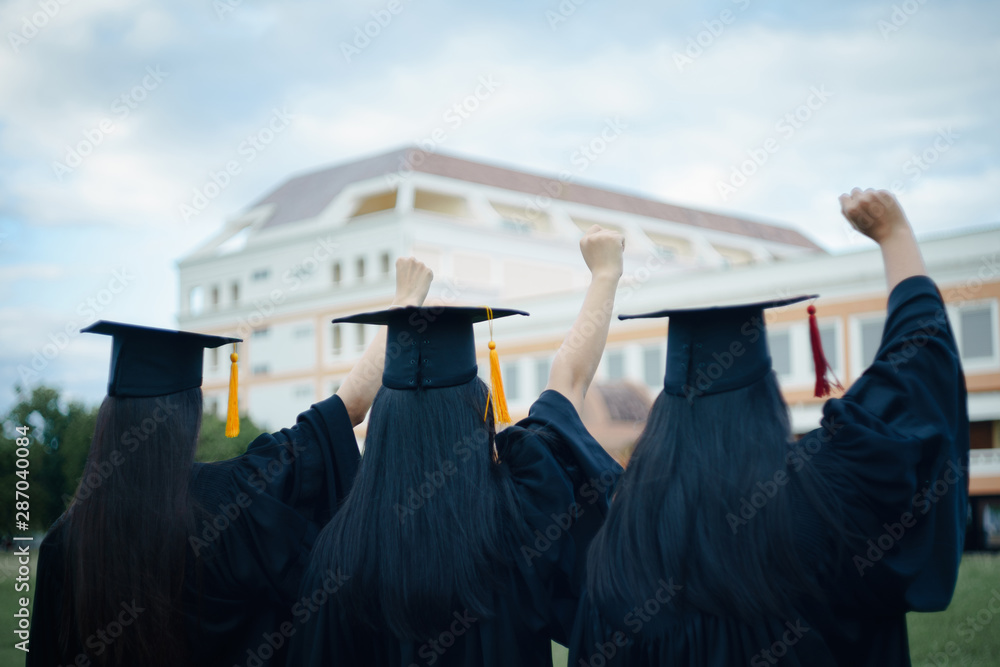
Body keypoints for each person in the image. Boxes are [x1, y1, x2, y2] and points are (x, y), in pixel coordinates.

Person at [570, 189, 969, 666]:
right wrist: (894, 236)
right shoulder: (828, 494)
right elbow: (915, 375)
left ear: (667, 411)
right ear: (766, 396)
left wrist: (604, 278)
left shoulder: (620, 546)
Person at [27, 258, 433, 667]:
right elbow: (344, 411)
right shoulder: (233, 499)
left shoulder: (65, 543)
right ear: (189, 414)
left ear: (108, 422)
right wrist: (404, 304)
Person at [287, 226, 627, 667]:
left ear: (383, 425)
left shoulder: (337, 554)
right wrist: (605, 273)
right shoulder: (525, 517)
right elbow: (569, 383)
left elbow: (344, 407)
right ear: (477, 416)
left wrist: (403, 302)